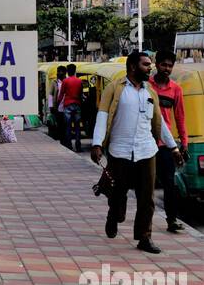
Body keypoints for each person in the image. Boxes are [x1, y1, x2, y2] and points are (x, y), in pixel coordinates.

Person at [91, 50, 183, 253]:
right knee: (117, 193)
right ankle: (114, 216)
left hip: (146, 150)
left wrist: (173, 147)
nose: (150, 67)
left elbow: (160, 123)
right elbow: (103, 116)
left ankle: (144, 237)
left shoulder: (150, 92)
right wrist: (97, 144)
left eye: (150, 64)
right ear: (133, 67)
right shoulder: (115, 88)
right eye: (145, 64)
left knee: (147, 198)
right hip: (120, 150)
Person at [150, 48, 189, 233]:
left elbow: (180, 117)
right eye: (163, 65)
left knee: (169, 184)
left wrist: (184, 143)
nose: (166, 68)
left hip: (166, 145)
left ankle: (171, 220)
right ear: (156, 64)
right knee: (143, 183)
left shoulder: (176, 89)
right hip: (145, 142)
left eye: (169, 66)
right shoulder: (146, 85)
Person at [57, 63, 84, 152]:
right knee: (77, 127)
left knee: (68, 126)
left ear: (67, 72)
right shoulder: (79, 81)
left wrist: (57, 104)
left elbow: (61, 95)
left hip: (68, 105)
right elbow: (81, 95)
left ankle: (69, 145)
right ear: (75, 71)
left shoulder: (65, 81)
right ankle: (78, 146)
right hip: (77, 105)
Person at [48, 65, 67, 140]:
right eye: (58, 71)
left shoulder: (67, 81)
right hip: (57, 106)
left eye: (61, 71)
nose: (59, 73)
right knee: (58, 122)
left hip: (66, 106)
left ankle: (64, 137)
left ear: (65, 73)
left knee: (65, 123)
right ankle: (59, 137)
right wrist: (51, 106)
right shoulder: (54, 82)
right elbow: (50, 95)